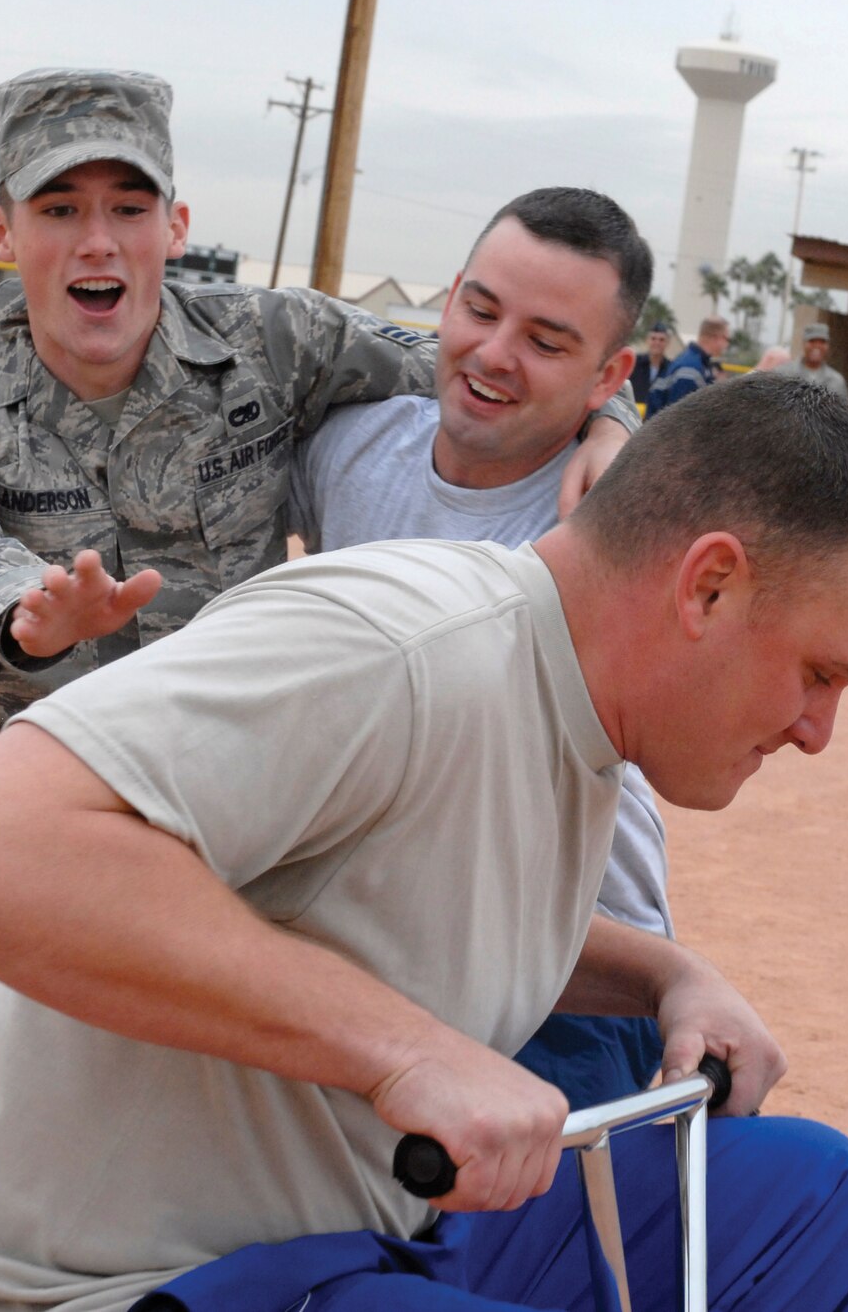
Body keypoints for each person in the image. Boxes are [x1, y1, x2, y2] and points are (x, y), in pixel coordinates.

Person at [0, 69, 637, 1312]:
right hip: (8, 831)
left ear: (175, 223)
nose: (97, 239)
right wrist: (16, 606)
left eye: (129, 203)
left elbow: (491, 363)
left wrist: (623, 426)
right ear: (2, 233)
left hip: (238, 850)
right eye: (58, 208)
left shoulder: (272, 346)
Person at [0, 373, 848, 1311]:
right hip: (112, 1285)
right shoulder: (402, 646)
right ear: (706, 585)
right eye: (819, 674)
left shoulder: (577, 708)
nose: (816, 731)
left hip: (346, 1244)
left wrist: (665, 974)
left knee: (808, 1197)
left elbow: (411, 906)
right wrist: (408, 1054)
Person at [288, 186, 674, 1109]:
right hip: (379, 937)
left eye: (547, 342)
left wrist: (624, 436)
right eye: (481, 310)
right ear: (451, 295)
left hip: (573, 965)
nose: (494, 356)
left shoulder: (617, 519)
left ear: (609, 373)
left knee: (509, 1227)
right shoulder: (349, 450)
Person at [646, 314, 728, 414]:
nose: (726, 344)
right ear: (716, 338)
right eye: (726, 339)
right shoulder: (690, 369)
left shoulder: (697, 364)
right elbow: (679, 418)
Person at [772, 321, 848, 396]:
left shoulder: (836, 381)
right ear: (804, 343)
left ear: (828, 346)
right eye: (812, 341)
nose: (817, 346)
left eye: (822, 342)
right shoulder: (783, 374)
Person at [628, 323, 671, 408]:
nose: (657, 343)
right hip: (633, 414)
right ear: (647, 340)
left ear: (667, 343)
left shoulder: (670, 369)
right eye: (653, 339)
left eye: (661, 340)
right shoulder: (634, 363)